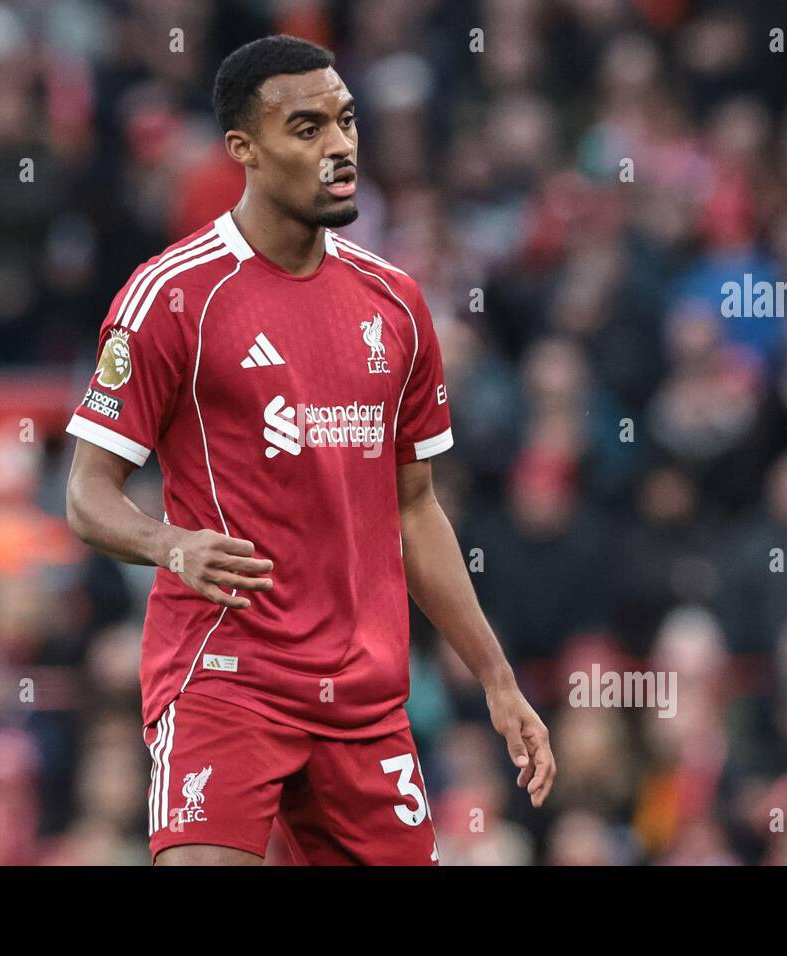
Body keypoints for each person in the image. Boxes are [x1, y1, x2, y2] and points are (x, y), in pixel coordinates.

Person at [64, 35, 555, 865]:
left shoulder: (395, 303)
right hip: (226, 673)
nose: (339, 146)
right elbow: (86, 493)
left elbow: (415, 507)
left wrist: (498, 679)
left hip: (363, 701)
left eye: (346, 121)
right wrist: (168, 544)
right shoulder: (172, 297)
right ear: (244, 152)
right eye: (306, 128)